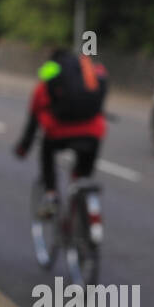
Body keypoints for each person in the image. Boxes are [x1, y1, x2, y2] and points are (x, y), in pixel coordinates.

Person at [13, 47, 108, 212]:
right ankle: (82, 191)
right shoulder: (87, 67)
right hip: (93, 132)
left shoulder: (51, 71)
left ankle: (51, 194)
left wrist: (23, 148)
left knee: (46, 150)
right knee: (83, 175)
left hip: (59, 132)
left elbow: (35, 113)